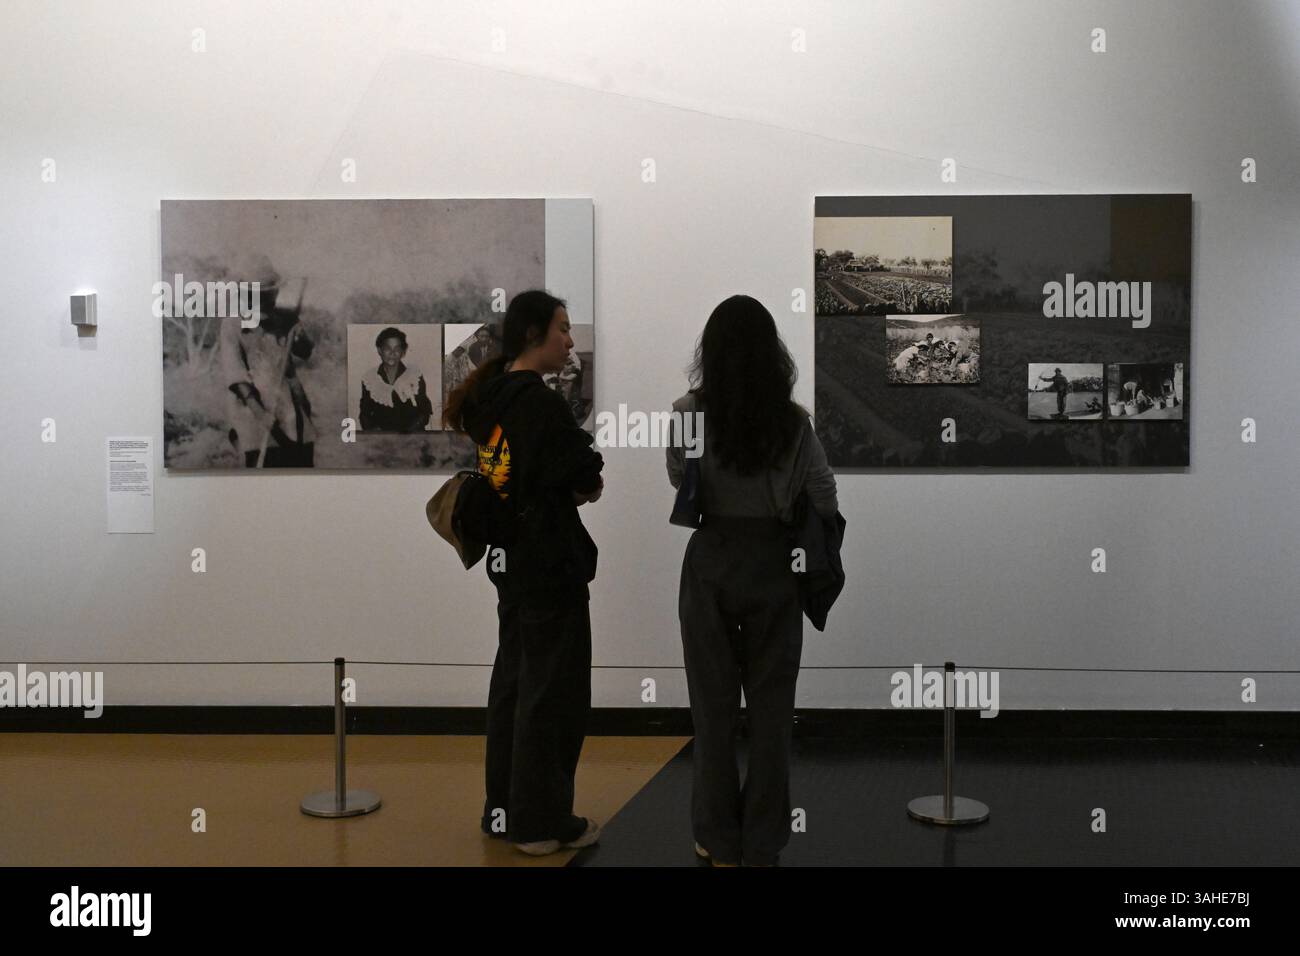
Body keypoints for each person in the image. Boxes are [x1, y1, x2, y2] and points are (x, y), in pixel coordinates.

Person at [667, 294, 838, 867]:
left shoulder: (688, 411)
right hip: (775, 565)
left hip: (711, 561)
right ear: (773, 353)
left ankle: (717, 840)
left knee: (711, 713)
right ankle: (763, 841)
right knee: (771, 714)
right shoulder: (793, 422)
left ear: (709, 351)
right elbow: (823, 493)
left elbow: (679, 479)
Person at [442, 289, 605, 856]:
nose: (570, 339)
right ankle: (540, 823)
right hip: (550, 566)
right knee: (551, 695)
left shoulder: (488, 398)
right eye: (562, 328)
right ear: (534, 334)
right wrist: (582, 484)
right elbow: (584, 473)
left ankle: (504, 810)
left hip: (509, 564)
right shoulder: (539, 403)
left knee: (513, 687)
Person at [219, 266, 316, 467]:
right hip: (253, 414)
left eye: (267, 295)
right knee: (262, 475)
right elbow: (235, 375)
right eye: (256, 296)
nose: (263, 302)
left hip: (292, 410)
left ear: (275, 293)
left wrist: (301, 337)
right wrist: (260, 414)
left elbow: (305, 352)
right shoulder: (232, 325)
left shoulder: (285, 318)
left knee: (301, 473)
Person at [358, 327, 434, 433]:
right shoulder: (370, 379)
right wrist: (375, 433)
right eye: (387, 348)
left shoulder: (414, 376)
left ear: (403, 352)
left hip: (412, 436)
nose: (392, 353)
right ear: (380, 350)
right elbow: (364, 414)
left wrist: (407, 434)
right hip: (382, 439)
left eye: (397, 349)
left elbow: (424, 412)